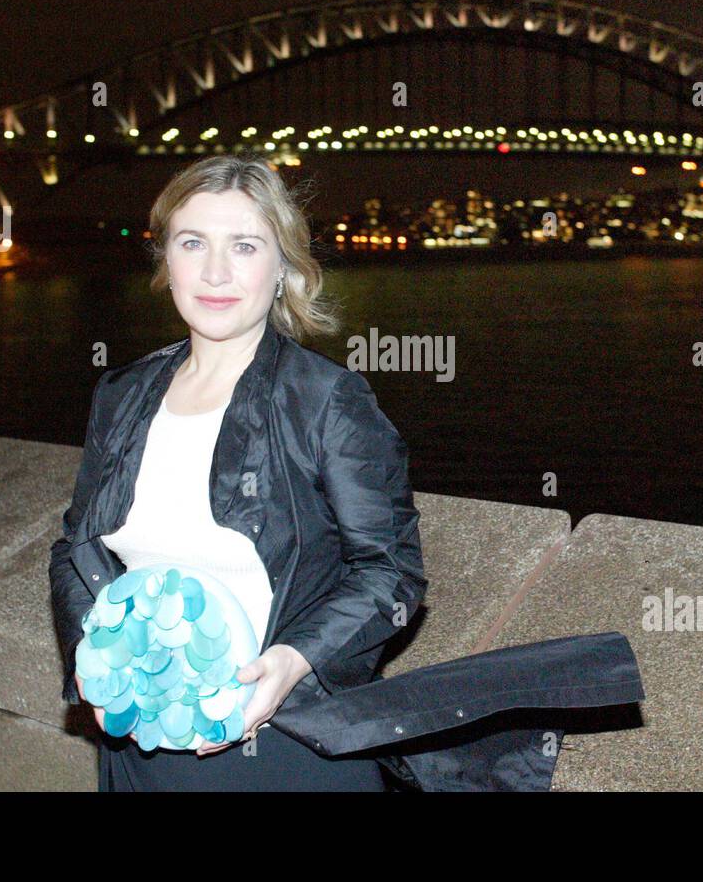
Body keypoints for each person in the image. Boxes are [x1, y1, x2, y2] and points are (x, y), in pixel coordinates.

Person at [50, 152, 426, 791]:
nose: (215, 271)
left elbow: (391, 574)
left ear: (283, 269)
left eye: (245, 246)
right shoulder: (121, 394)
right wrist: (96, 652)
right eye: (192, 243)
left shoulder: (326, 399)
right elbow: (75, 549)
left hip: (286, 744)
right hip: (140, 746)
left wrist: (292, 661)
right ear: (166, 262)